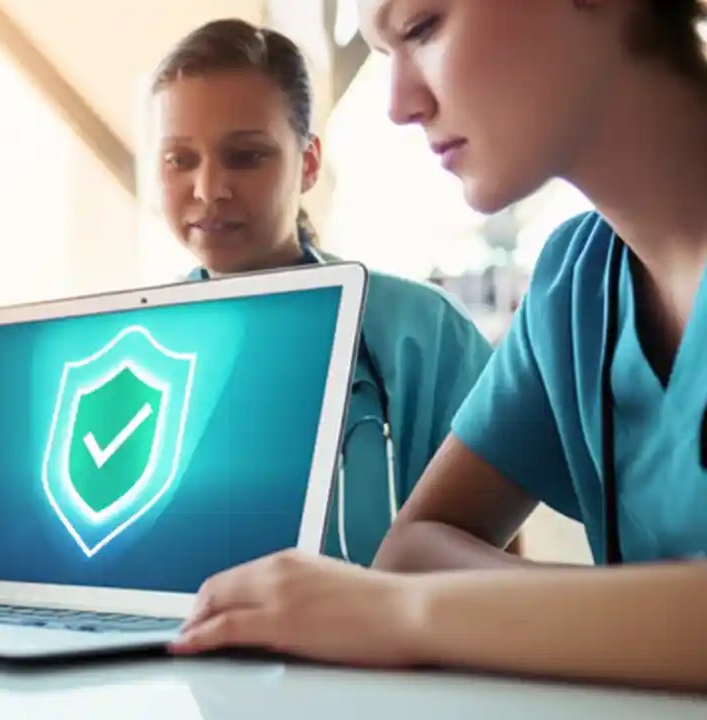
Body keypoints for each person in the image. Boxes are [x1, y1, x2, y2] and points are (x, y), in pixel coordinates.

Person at [171, 0, 707, 693]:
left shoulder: (425, 323)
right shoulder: (575, 285)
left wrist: (401, 614)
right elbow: (415, 550)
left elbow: (407, 588)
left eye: (424, 27)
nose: (398, 105)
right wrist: (641, 620)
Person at [151, 19, 493, 566]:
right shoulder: (141, 342)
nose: (209, 189)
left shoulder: (419, 332)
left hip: (374, 649)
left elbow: (489, 565)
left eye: (246, 156)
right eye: (179, 159)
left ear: (307, 163)